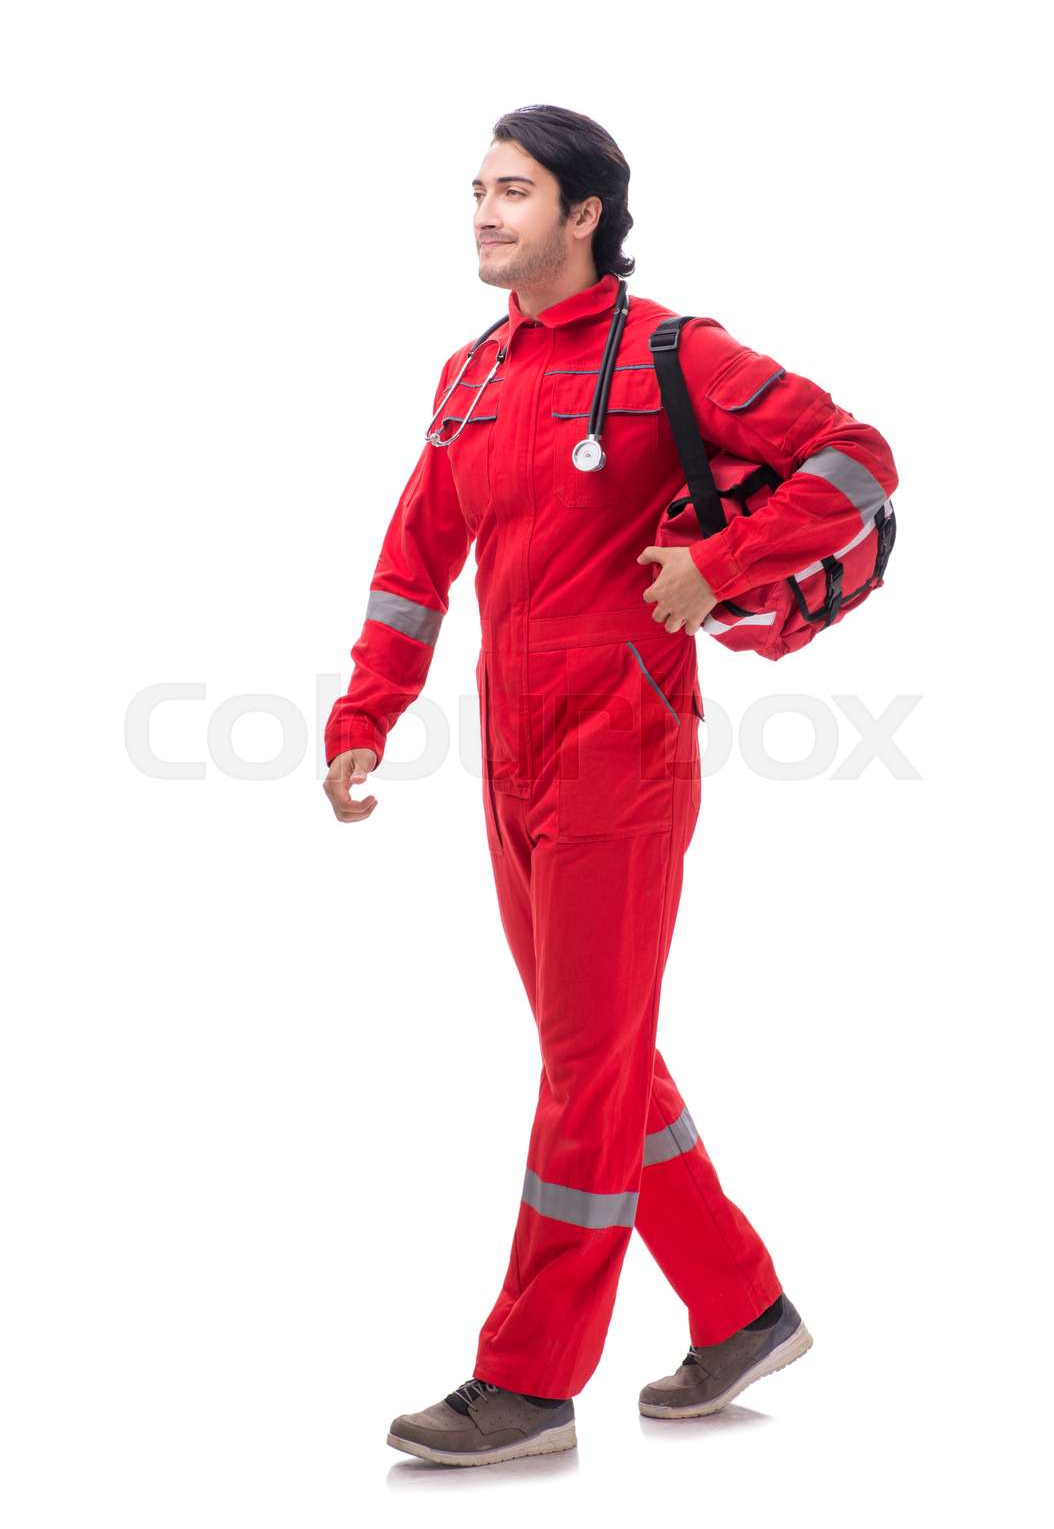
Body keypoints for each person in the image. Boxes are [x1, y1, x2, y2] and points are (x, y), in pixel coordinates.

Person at [323, 104, 897, 1468]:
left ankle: (528, 1378)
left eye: (512, 191)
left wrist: (726, 565)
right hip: (510, 754)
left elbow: (856, 458)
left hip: (623, 752)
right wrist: (368, 710)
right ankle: (742, 1305)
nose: (481, 212)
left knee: (583, 1066)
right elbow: (417, 559)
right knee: (606, 1058)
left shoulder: (672, 355)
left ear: (585, 214)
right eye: (475, 189)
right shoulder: (471, 375)